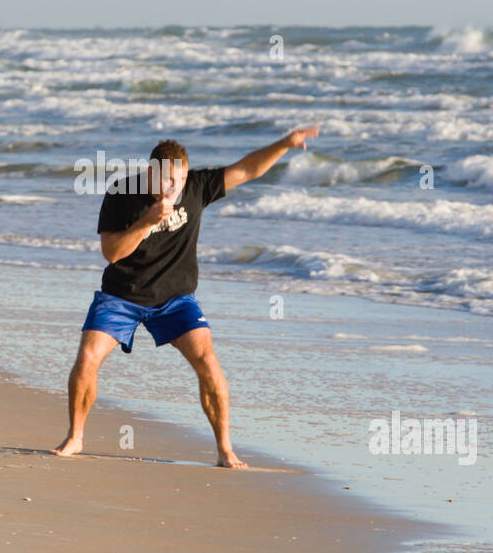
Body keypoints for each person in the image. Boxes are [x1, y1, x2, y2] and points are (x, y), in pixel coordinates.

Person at [51, 126, 319, 467]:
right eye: (165, 181)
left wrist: (285, 143)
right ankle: (75, 436)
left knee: (207, 360)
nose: (172, 188)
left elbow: (248, 169)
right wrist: (145, 223)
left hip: (176, 300)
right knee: (88, 357)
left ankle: (225, 450)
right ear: (150, 173)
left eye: (178, 180)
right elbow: (111, 254)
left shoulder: (197, 186)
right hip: (122, 296)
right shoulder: (121, 193)